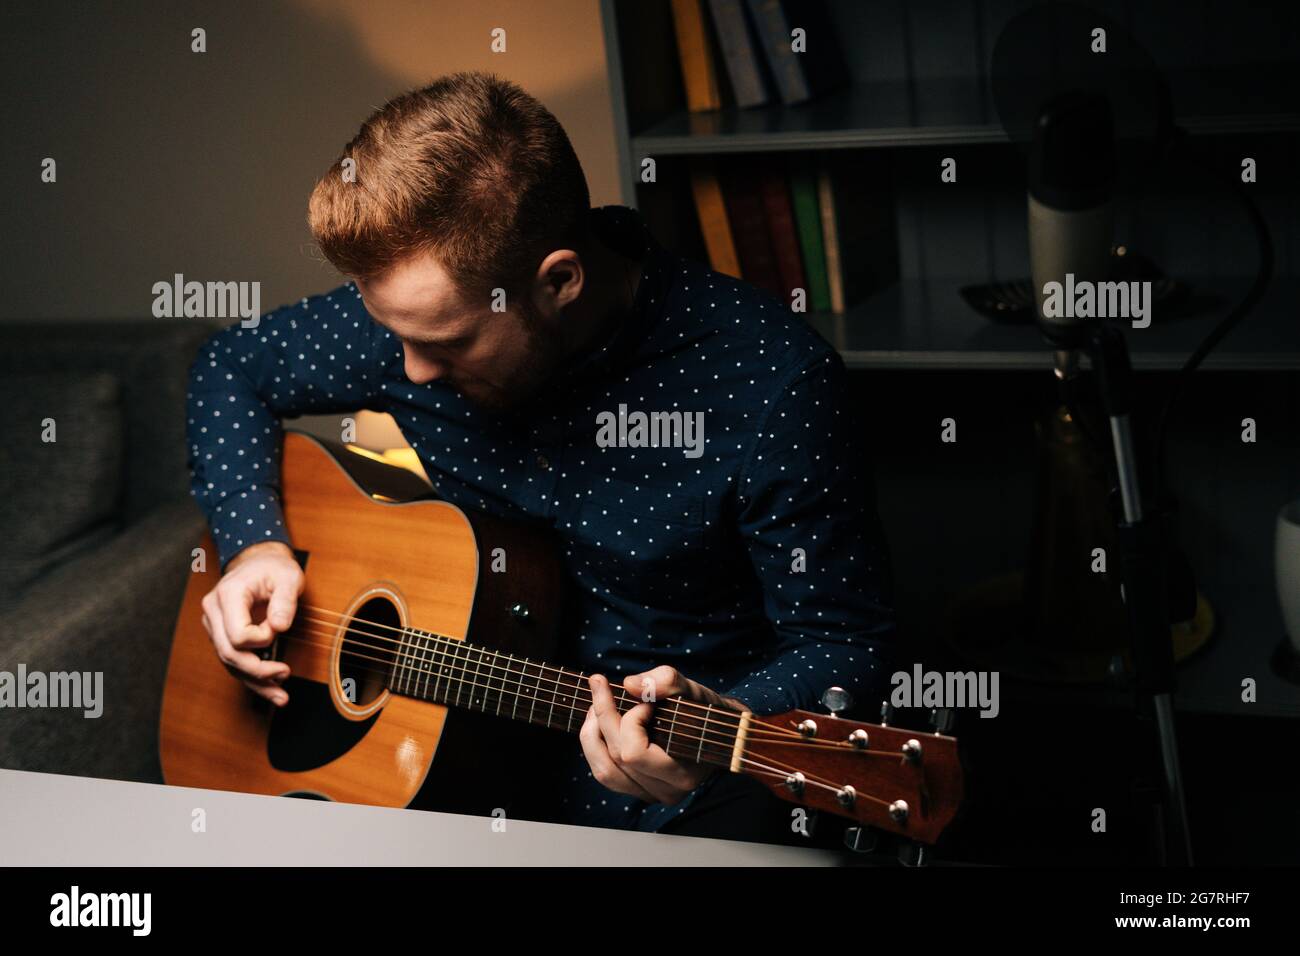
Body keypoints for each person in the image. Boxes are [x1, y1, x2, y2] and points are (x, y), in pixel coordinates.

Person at [188, 70, 897, 844]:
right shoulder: (415, 319)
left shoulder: (773, 383)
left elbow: (844, 645)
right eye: (393, 333)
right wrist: (255, 542)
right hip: (443, 765)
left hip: (672, 796)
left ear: (558, 281)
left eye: (443, 343)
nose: (409, 368)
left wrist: (726, 728)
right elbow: (230, 366)